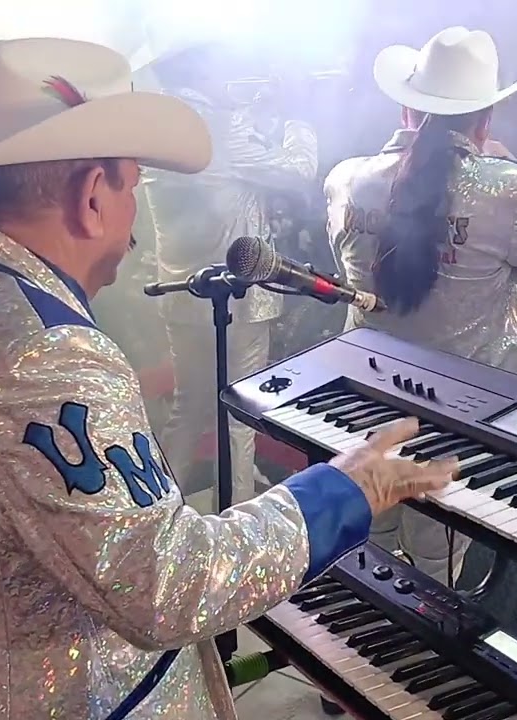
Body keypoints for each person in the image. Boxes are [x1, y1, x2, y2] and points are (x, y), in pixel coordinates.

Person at [0, 38, 454, 720]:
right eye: (132, 182)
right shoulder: (48, 356)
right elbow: (167, 584)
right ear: (92, 195)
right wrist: (344, 490)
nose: (136, 217)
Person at [324, 27, 517, 582]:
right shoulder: (506, 187)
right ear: (485, 118)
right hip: (466, 402)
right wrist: (516, 169)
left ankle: (362, 637)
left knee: (373, 529)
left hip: (365, 389)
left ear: (406, 109)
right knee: (441, 545)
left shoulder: (347, 179)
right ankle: (425, 651)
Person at [136, 28, 319, 505]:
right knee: (238, 419)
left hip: (181, 290)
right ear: (199, 65)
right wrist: (299, 114)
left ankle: (158, 515)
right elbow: (296, 170)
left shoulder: (157, 124)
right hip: (235, 297)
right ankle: (234, 528)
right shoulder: (219, 124)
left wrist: (254, 110)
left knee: (190, 409)